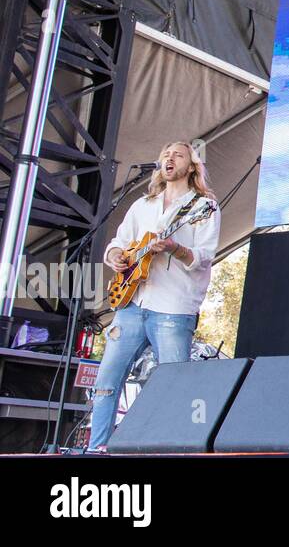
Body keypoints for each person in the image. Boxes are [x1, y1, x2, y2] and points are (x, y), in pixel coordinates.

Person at [89, 141, 221, 451]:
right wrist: (117, 256)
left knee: (174, 387)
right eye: (165, 153)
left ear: (191, 167)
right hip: (133, 303)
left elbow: (204, 256)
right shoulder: (143, 205)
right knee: (106, 385)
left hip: (173, 308)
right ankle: (98, 450)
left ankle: (171, 450)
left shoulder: (204, 206)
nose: (168, 157)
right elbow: (118, 243)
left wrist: (176, 247)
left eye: (177, 154)